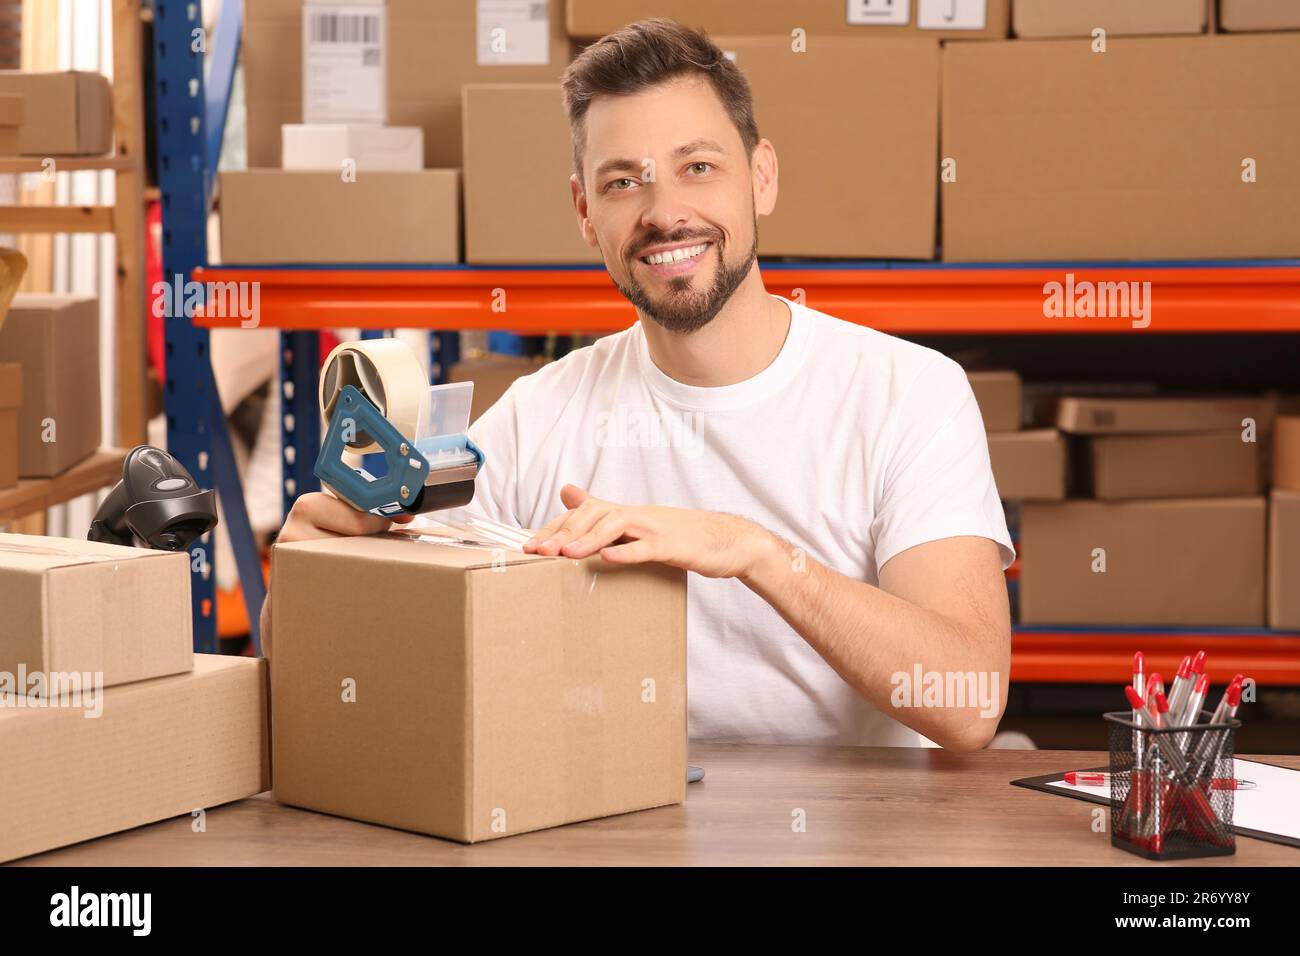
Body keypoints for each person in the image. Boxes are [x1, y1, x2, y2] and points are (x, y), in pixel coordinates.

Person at [262, 18, 1015, 751]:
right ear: (587, 215)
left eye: (698, 167)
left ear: (762, 177)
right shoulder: (536, 419)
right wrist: (310, 590)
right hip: (609, 820)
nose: (664, 213)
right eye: (624, 183)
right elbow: (368, 672)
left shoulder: (908, 394)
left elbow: (971, 703)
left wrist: (752, 551)